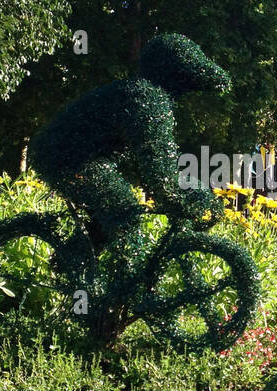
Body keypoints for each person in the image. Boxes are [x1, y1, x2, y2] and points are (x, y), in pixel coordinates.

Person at [29, 33, 231, 247]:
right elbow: (159, 168)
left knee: (106, 223)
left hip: (77, 158)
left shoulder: (146, 96)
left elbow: (161, 166)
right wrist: (181, 197)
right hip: (65, 159)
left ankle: (70, 270)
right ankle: (113, 275)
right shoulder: (146, 99)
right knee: (123, 210)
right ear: (177, 76)